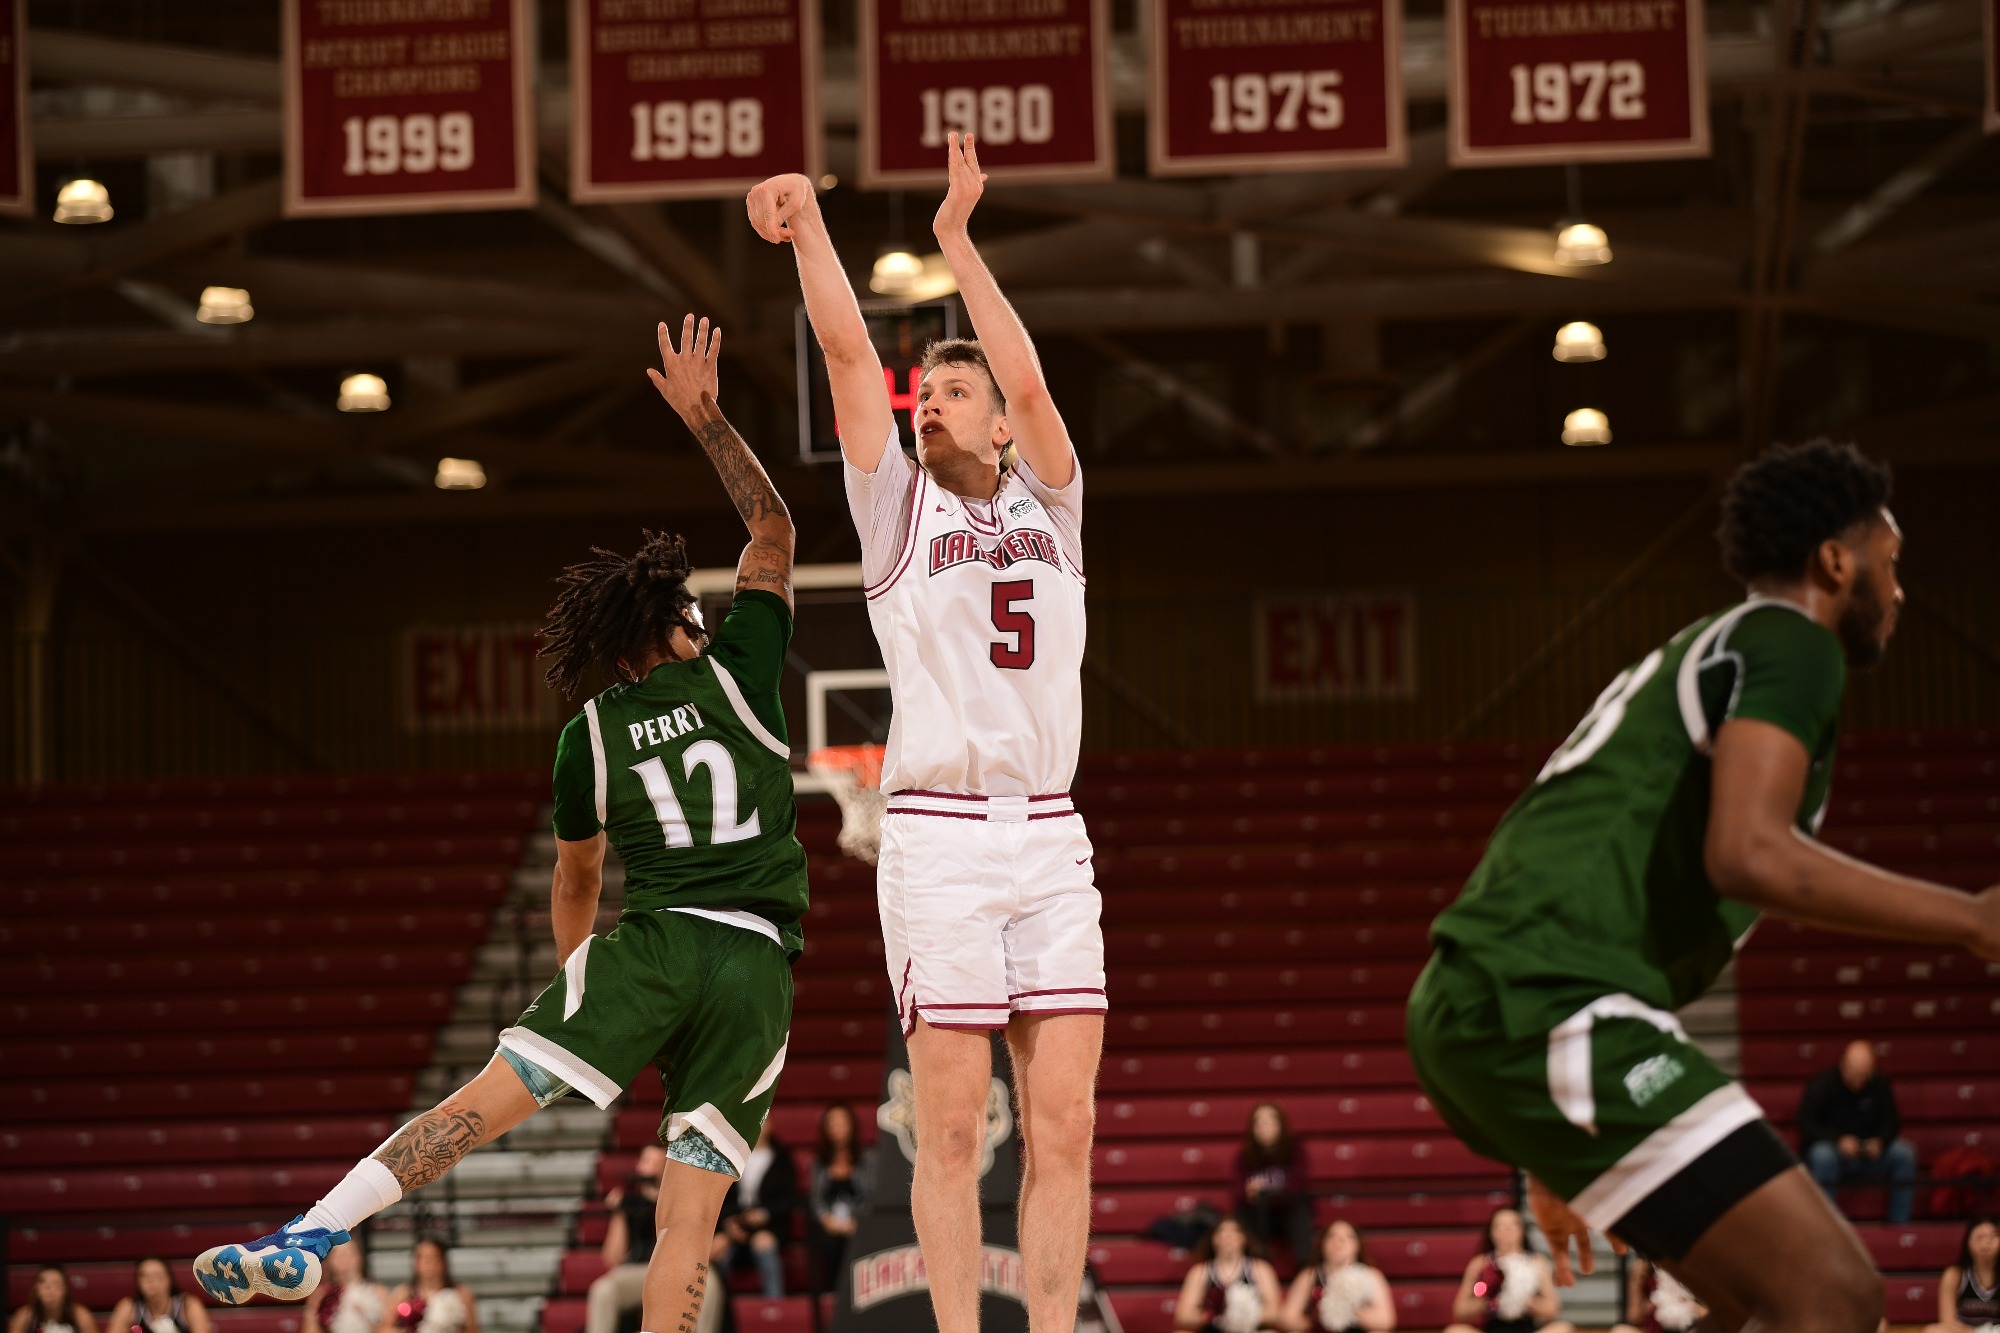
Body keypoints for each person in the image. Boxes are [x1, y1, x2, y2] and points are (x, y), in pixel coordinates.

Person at [192, 314, 808, 1333]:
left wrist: (582, 976)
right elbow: (772, 529)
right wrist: (705, 420)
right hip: (754, 974)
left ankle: (311, 1233)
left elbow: (575, 881)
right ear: (687, 624)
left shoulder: (589, 735)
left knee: (473, 1110)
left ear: (617, 659)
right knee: (684, 1229)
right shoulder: (741, 671)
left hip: (650, 947)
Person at [1406, 440, 2000, 1332]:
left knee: (1743, 1304)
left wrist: (1549, 1140)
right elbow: (1749, 855)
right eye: (1891, 560)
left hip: (1506, 1002)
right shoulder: (1793, 641)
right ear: (1836, 561)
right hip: (1545, 1000)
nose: (1902, 588)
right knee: (1834, 1294)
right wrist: (1975, 919)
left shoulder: (1710, 648)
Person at [748, 132, 1100, 1333]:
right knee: (950, 1127)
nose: (931, 401)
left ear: (1000, 424)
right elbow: (848, 350)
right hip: (942, 836)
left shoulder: (1052, 499)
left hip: (1050, 834)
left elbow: (1036, 384)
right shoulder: (894, 504)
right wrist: (808, 228)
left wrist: (956, 240)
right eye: (927, 392)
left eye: (956, 391)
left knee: (1067, 1127)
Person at [1799, 1039, 1920, 1224]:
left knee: (1905, 1154)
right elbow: (1806, 1124)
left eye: (1864, 1075)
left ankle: (1900, 1226)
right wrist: (1837, 1140)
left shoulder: (1879, 1084)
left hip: (1870, 1152)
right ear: (1843, 1066)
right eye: (1855, 1075)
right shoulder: (1822, 1084)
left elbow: (1892, 1122)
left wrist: (1880, 1141)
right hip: (1836, 1153)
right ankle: (1825, 1225)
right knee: (1822, 1155)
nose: (1859, 1081)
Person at [1441, 1210, 1572, 1333]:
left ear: (1521, 1230)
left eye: (1510, 1226)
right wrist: (1490, 1296)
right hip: (1493, 1328)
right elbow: (1460, 1312)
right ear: (1491, 1232)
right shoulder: (1480, 1264)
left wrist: (1523, 1299)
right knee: (1454, 1331)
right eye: (1499, 1226)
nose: (1505, 1232)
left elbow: (1552, 1309)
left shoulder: (1537, 1262)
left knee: (1563, 1328)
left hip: (1526, 1328)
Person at [588, 1144, 668, 1333]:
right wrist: (618, 1214)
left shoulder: (677, 1203)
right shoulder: (630, 1202)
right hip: (638, 1271)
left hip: (670, 1271)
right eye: (647, 1162)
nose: (651, 1168)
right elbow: (613, 1259)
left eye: (658, 1163)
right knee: (603, 1290)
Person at [717, 1123, 799, 1298]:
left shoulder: (782, 1158)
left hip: (770, 1226)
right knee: (718, 1247)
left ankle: (775, 1305)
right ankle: (717, 1307)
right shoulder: (730, 1155)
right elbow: (720, 1196)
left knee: (764, 1244)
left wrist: (765, 1214)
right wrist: (729, 1222)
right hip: (735, 1224)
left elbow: (789, 1199)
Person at [1234, 1102, 1316, 1270]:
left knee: (1299, 1207)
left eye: (1270, 1120)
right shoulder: (1244, 1156)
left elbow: (1299, 1184)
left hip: (1287, 1212)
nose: (1264, 1126)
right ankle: (1256, 1268)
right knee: (1241, 1213)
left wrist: (1271, 1191)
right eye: (1259, 1122)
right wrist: (1251, 1192)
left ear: (1280, 1124)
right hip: (1259, 1214)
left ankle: (1304, 1268)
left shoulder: (1295, 1149)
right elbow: (1237, 1191)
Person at [1279, 1221, 1395, 1333]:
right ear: (1322, 1244)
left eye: (1348, 1237)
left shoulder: (1371, 1274)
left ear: (1357, 1245)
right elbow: (1287, 1317)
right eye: (1332, 1236)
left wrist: (1348, 1313)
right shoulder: (1310, 1274)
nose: (1339, 1241)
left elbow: (1386, 1320)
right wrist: (1316, 1320)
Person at [1174, 1219, 1284, 1333]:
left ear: (1243, 1238)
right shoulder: (1200, 1271)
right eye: (1222, 1232)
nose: (1228, 1236)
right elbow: (1184, 1316)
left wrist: (1245, 1315)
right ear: (1214, 1239)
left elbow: (1274, 1312)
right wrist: (1214, 1317)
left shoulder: (1260, 1268)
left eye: (1234, 1232)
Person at [808, 1103, 871, 1293]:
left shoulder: (868, 1159)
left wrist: (857, 1221)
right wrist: (825, 1219)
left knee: (856, 1240)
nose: (837, 1128)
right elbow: (815, 1199)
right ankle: (833, 1294)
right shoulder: (820, 1163)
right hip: (829, 1225)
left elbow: (872, 1197)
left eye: (841, 1122)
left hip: (858, 1223)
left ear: (852, 1125)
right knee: (829, 1241)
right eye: (832, 1123)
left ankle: (857, 1293)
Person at [382, 1239, 474, 1333]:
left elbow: (472, 1330)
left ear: (443, 1261)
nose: (427, 1263)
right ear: (415, 1263)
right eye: (422, 1258)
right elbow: (384, 1328)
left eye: (432, 1257)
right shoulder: (402, 1293)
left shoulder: (461, 1294)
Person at [1926, 1217, 2000, 1333]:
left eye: (1992, 1237)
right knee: (1933, 1331)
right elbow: (1947, 1321)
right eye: (1980, 1237)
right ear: (1968, 1242)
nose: (1987, 1242)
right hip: (1965, 1331)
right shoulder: (1955, 1274)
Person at [304, 1240, 388, 1333]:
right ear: (330, 1261)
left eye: (349, 1252)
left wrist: (366, 1317)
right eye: (338, 1255)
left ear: (359, 1256)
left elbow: (387, 1328)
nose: (344, 1258)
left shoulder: (378, 1292)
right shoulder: (321, 1295)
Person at [109, 1259, 212, 1333]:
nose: (151, 1281)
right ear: (137, 1282)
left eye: (157, 1276)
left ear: (169, 1280)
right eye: (144, 1276)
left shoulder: (188, 1305)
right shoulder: (129, 1307)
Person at [1609, 1259, 1705, 1333]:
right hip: (1658, 1330)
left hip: (1694, 1328)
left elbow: (1712, 1314)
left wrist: (1691, 1307)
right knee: (1620, 1330)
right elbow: (1633, 1316)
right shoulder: (1645, 1269)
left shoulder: (1697, 1265)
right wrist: (1636, 1283)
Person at [9, 1266, 100, 1333]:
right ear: (36, 1289)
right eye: (45, 1285)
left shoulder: (80, 1316)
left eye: (56, 1285)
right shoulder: (24, 1317)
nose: (50, 1290)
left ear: (66, 1290)